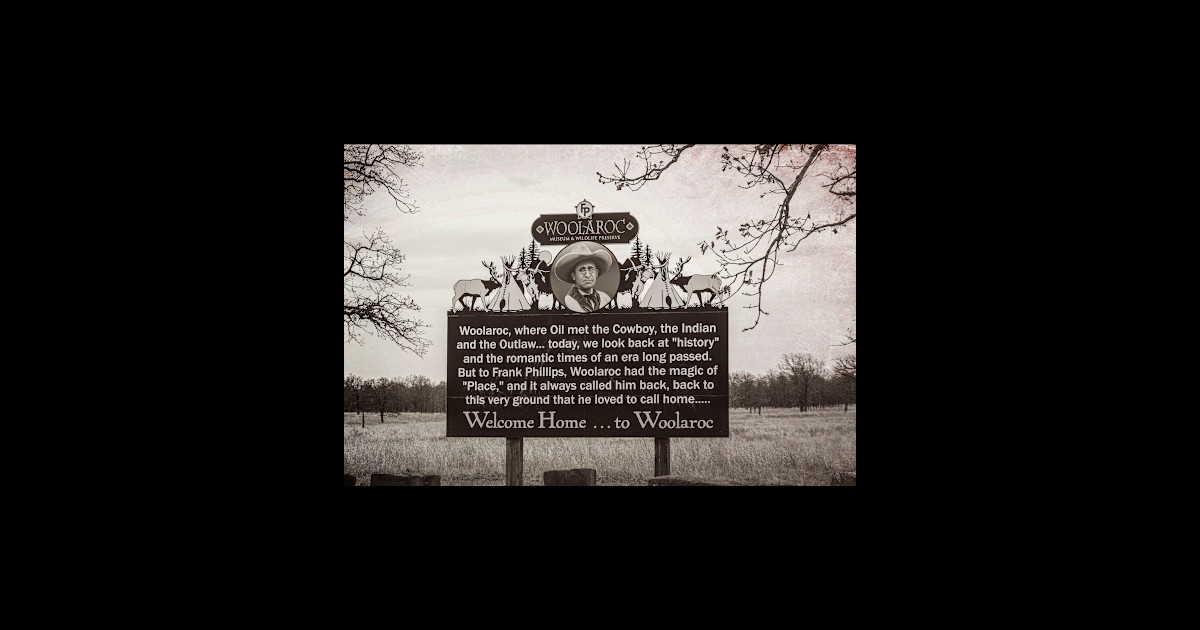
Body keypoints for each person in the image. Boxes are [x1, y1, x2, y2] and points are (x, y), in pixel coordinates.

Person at [553, 241, 613, 313]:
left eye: (591, 269)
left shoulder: (605, 298)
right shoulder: (567, 301)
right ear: (573, 276)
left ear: (596, 273)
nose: (587, 275)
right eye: (582, 270)